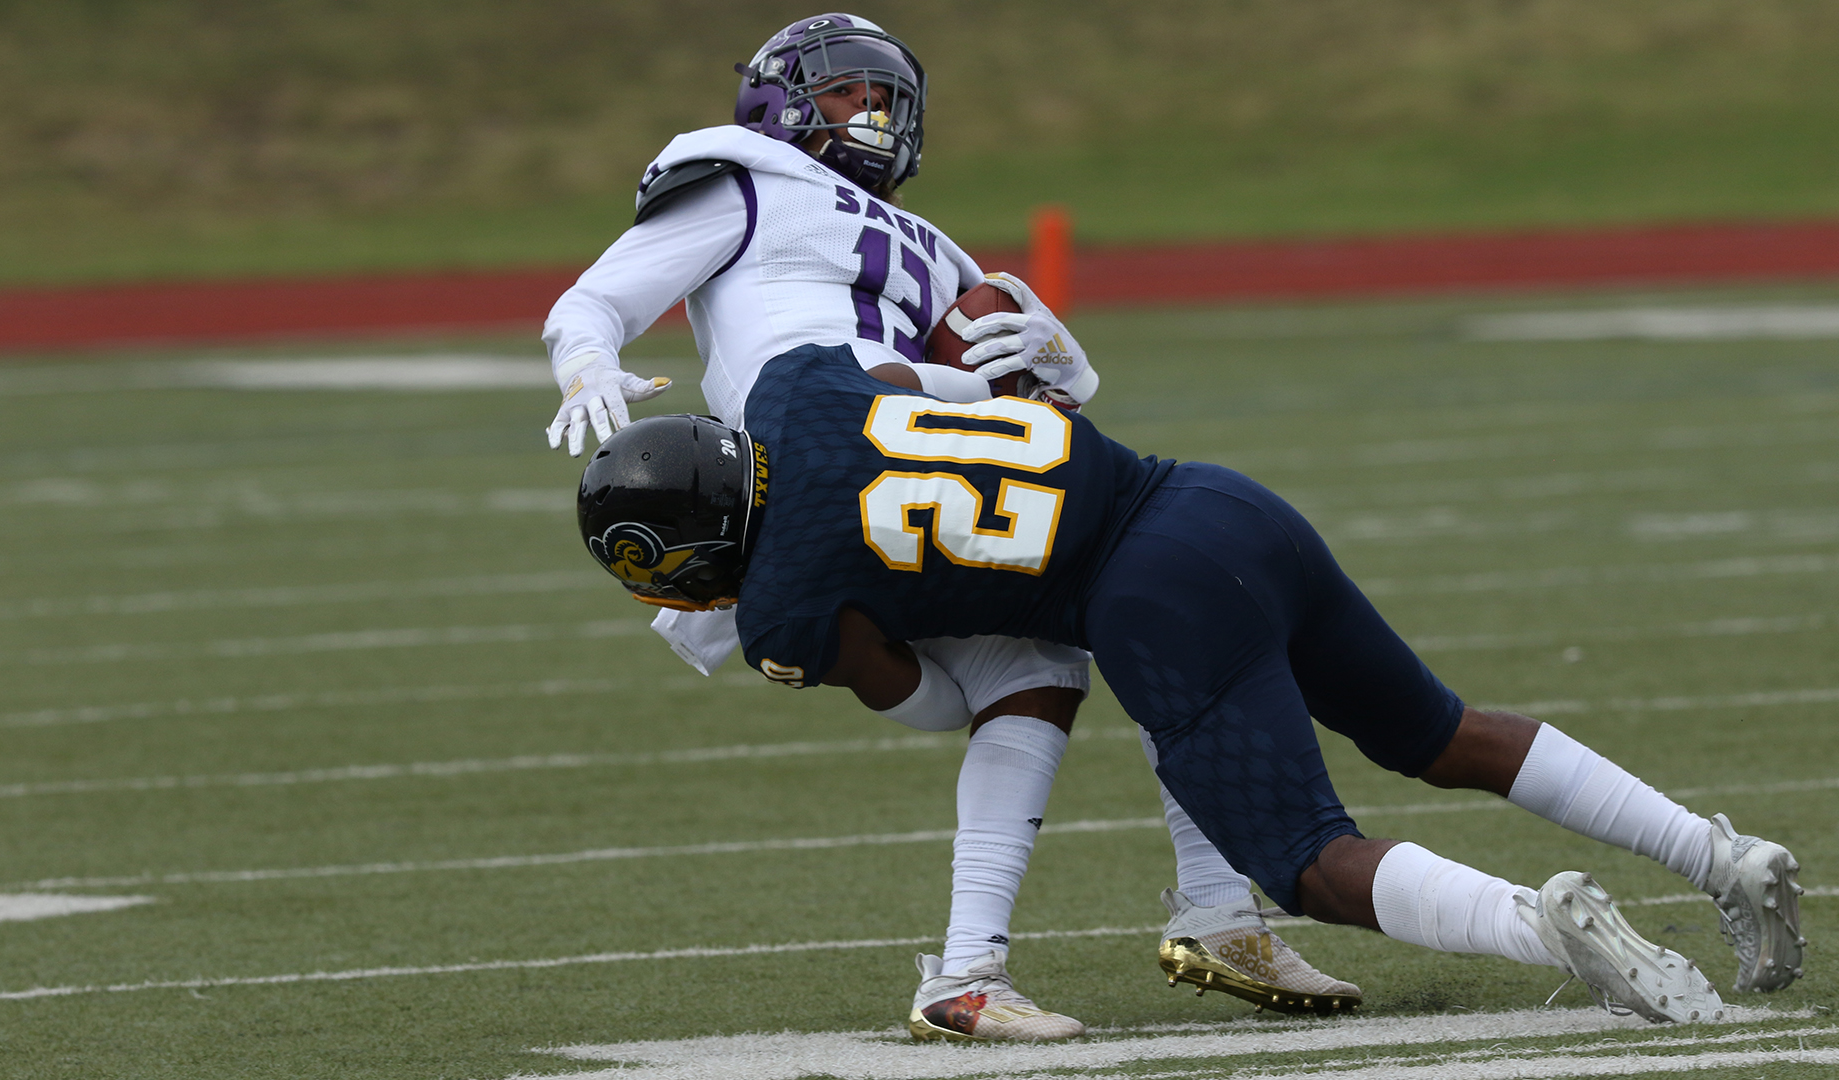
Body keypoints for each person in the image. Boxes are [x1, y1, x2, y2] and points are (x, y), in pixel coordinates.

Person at [538, 13, 1358, 1042]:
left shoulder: (939, 247)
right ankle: (1186, 918)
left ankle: (1064, 951)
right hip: (831, 464)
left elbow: (1013, 368)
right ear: (780, 97)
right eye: (847, 92)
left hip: (923, 456)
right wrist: (589, 366)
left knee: (1080, 643)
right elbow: (594, 299)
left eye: (885, 98)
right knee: (1124, 591)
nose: (872, 112)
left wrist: (1063, 353)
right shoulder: (745, 175)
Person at [571, 345, 1809, 1026]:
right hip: (1212, 499)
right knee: (1436, 731)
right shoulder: (792, 386)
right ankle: (1721, 856)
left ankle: (1548, 927)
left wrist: (904, 622)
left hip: (1147, 598)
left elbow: (941, 704)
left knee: (1309, 863)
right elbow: (913, 390)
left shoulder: (785, 611)